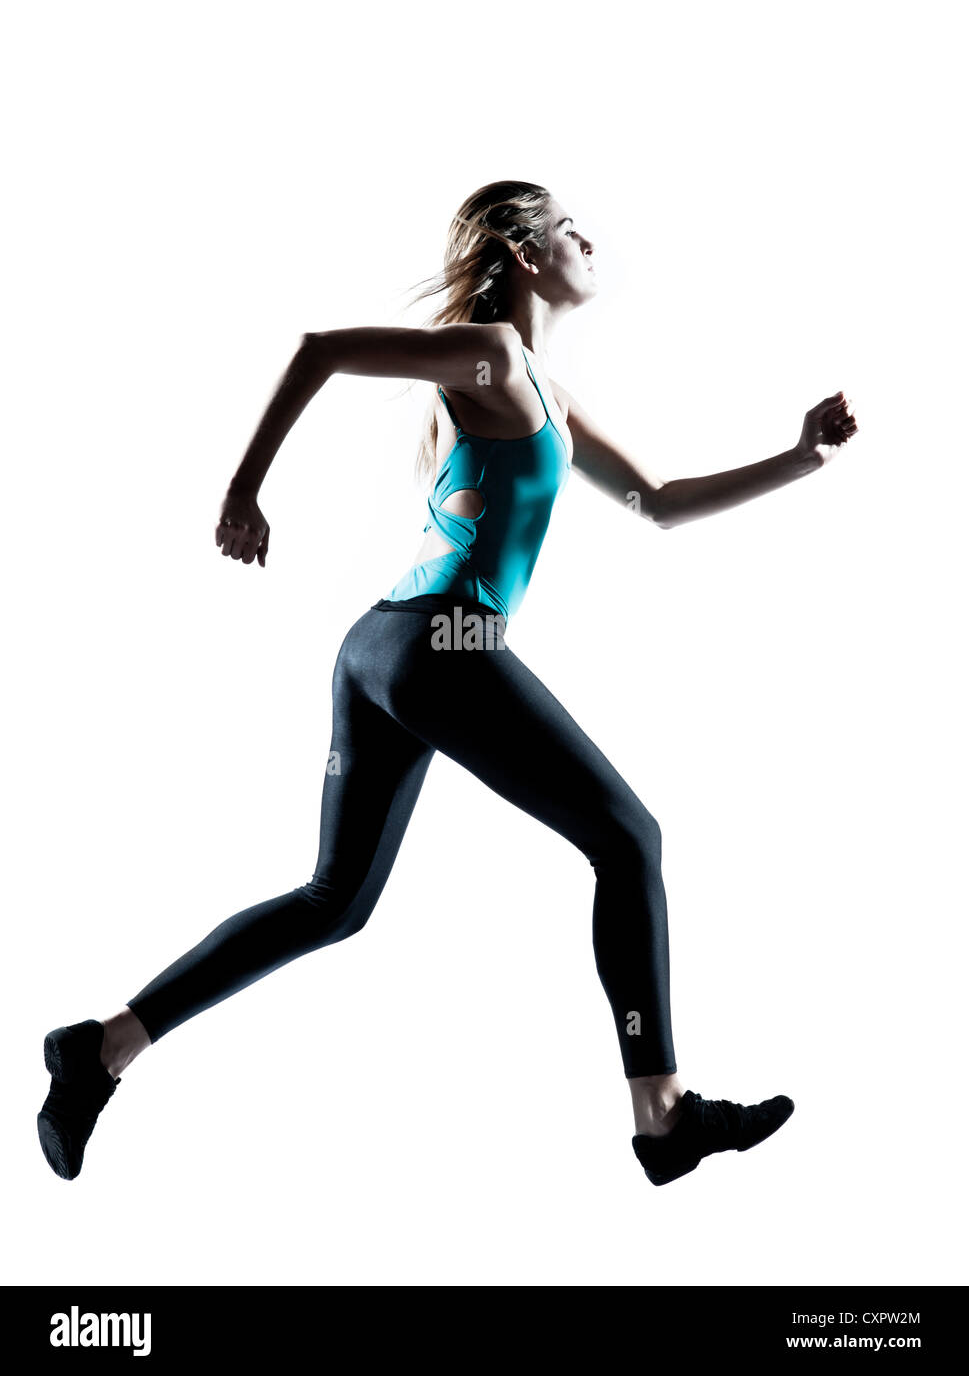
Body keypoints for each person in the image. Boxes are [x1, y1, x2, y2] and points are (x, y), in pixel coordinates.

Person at [37, 180, 858, 1187]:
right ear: (520, 252)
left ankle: (101, 1047)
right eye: (567, 227)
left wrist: (797, 456)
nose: (587, 239)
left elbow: (658, 501)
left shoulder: (539, 391)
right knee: (628, 839)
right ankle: (662, 1115)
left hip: (379, 648)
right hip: (440, 642)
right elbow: (317, 349)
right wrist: (241, 488)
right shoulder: (492, 354)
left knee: (333, 901)